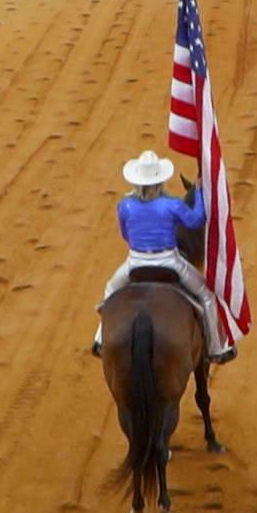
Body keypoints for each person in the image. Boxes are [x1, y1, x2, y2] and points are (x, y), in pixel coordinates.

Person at [91, 150, 236, 365]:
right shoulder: (172, 204)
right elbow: (196, 220)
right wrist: (197, 192)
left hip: (135, 262)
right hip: (171, 262)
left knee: (110, 290)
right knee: (206, 296)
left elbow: (125, 235)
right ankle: (216, 348)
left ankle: (100, 340)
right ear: (160, 180)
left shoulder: (125, 205)